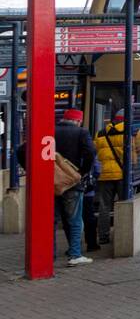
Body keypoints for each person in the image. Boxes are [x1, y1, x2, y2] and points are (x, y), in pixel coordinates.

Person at [15, 107, 96, 266]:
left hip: (47, 182)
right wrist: (82, 171)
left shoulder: (49, 131)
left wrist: (30, 170)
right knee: (74, 219)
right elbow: (91, 152)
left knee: (50, 219)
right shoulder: (81, 133)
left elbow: (21, 150)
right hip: (71, 183)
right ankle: (74, 255)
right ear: (78, 120)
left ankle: (48, 254)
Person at [94, 110, 140, 249]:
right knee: (125, 204)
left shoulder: (101, 133)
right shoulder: (134, 132)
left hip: (104, 175)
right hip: (124, 174)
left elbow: (95, 150)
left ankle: (103, 237)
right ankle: (123, 234)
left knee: (104, 207)